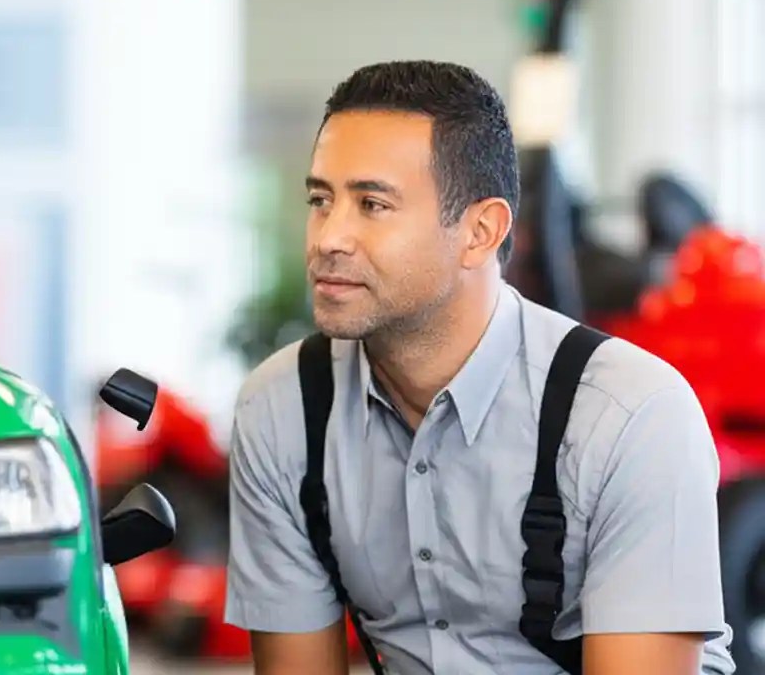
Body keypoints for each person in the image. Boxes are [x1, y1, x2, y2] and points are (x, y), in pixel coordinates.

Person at [223, 60, 734, 674]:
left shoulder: (631, 417)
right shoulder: (281, 412)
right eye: (320, 200)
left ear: (480, 231)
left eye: (372, 204)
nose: (329, 236)